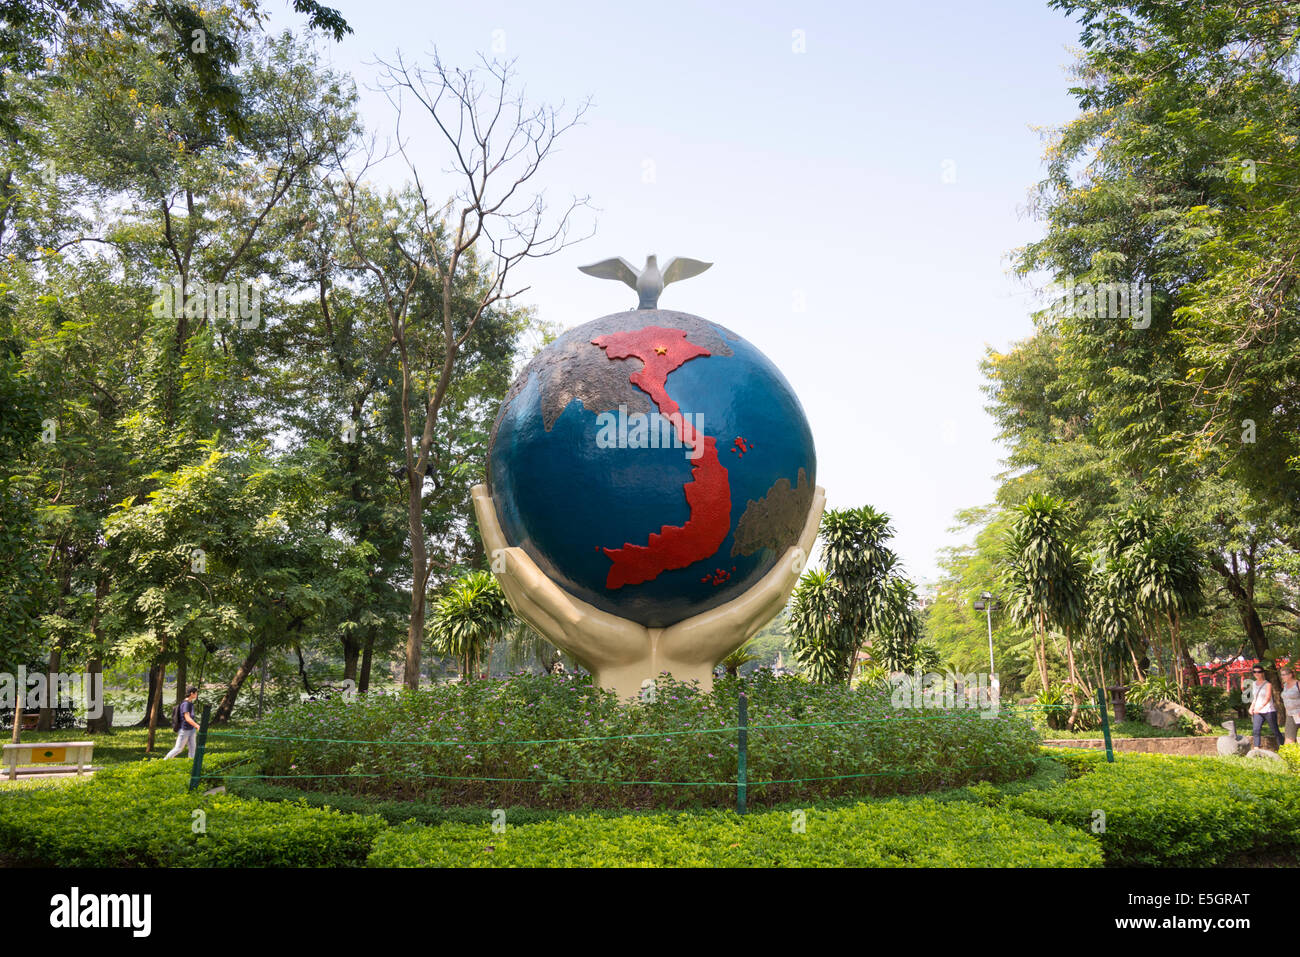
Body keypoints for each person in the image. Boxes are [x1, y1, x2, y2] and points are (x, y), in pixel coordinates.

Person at [1247, 666, 1282, 750]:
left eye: (1259, 672)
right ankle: (1256, 748)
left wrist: (1260, 707)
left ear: (1262, 673)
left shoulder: (1267, 684)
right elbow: (1255, 697)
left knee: (1275, 730)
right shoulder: (1253, 684)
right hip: (1257, 711)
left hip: (1268, 710)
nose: (1256, 674)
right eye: (1254, 672)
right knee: (1256, 729)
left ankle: (1282, 746)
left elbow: (1267, 697)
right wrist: (1251, 707)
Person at [164, 687, 200, 759]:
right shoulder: (186, 704)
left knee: (193, 749)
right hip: (185, 729)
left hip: (191, 729)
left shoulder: (190, 703)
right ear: (191, 693)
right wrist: (197, 725)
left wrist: (194, 726)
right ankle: (164, 761)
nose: (197, 694)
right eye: (196, 693)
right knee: (178, 748)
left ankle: (191, 765)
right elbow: (187, 718)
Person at [1280, 666, 1300, 746]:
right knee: (1289, 739)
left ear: (1290, 675)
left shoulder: (1298, 684)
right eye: (1281, 675)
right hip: (1290, 714)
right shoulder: (1285, 685)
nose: (1282, 677)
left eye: (1284, 675)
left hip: (1298, 712)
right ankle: (1292, 756)